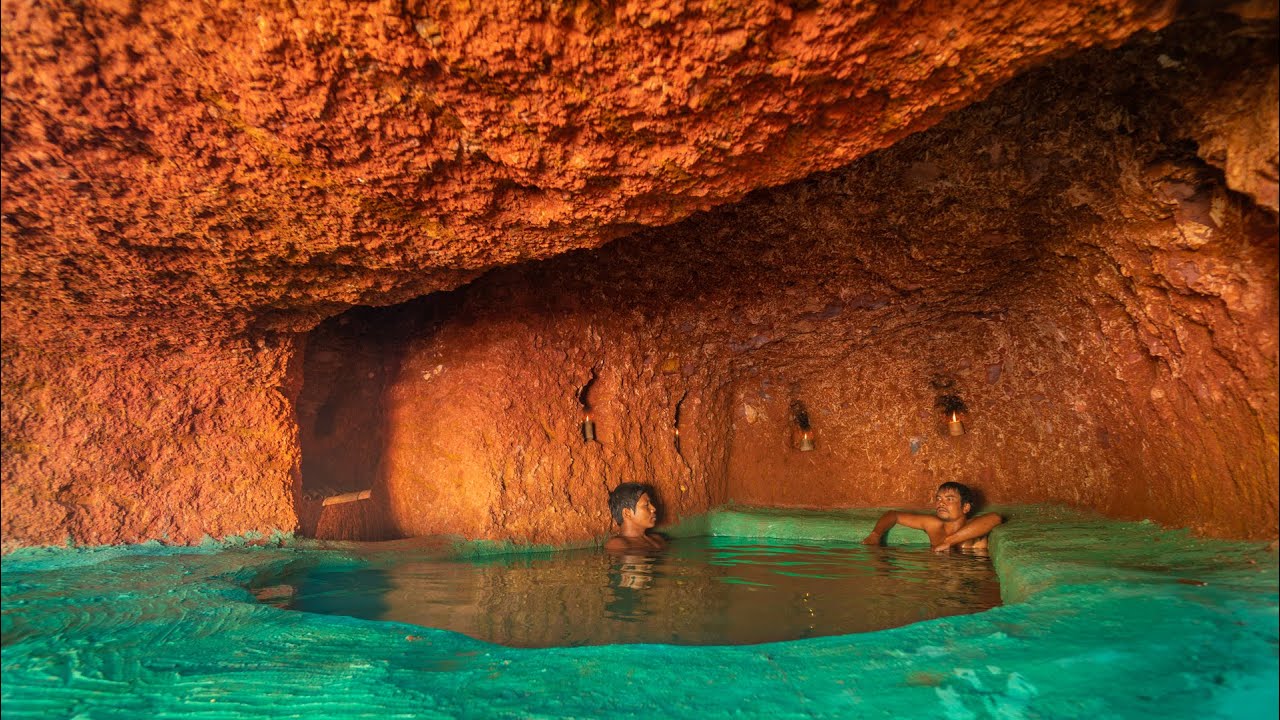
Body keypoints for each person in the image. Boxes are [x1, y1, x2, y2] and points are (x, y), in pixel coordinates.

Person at [862, 482, 1002, 552]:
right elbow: (894, 515)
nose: (941, 503)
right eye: (938, 499)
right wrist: (875, 534)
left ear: (965, 507)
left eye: (949, 499)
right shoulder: (933, 524)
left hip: (967, 580)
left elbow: (995, 518)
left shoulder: (973, 527)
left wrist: (949, 541)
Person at [603, 482, 668, 552]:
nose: (653, 509)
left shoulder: (658, 539)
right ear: (627, 513)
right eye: (646, 505)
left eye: (650, 504)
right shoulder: (617, 545)